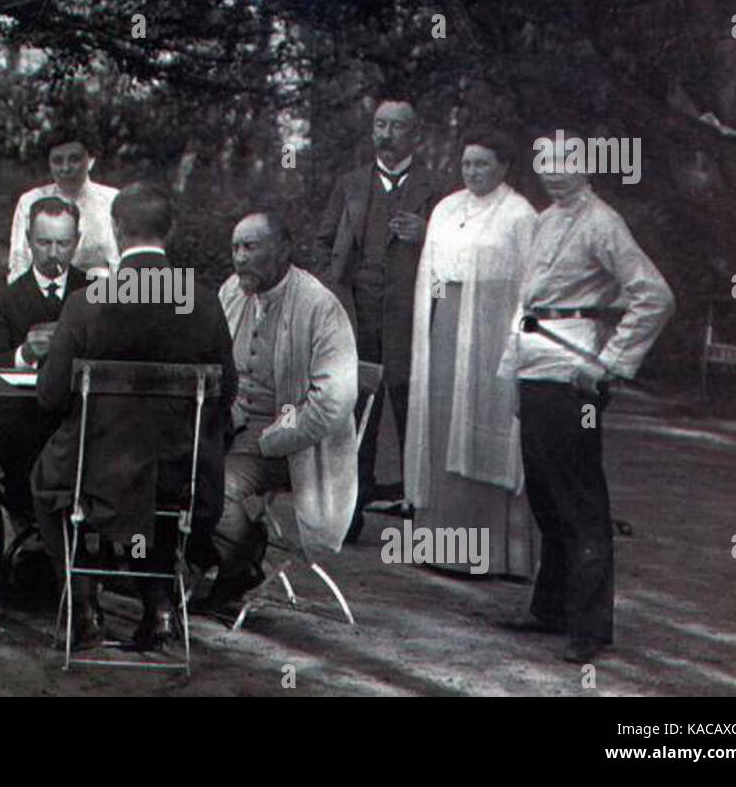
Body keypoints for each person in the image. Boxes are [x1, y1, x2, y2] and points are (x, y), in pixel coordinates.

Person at [32, 184, 237, 649]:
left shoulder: (90, 301)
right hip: (183, 474)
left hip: (99, 472)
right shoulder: (201, 301)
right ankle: (160, 606)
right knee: (157, 490)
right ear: (172, 231)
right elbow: (228, 392)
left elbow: (49, 396)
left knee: (46, 484)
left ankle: (83, 604)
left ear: (116, 229)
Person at [498, 130, 673, 663]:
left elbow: (654, 295)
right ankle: (550, 609)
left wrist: (609, 364)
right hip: (534, 368)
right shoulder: (545, 221)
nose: (553, 172)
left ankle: (591, 628)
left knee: (580, 503)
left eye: (564, 162)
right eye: (544, 162)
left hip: (572, 373)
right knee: (546, 498)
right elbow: (525, 303)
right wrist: (511, 370)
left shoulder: (602, 222)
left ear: (587, 165)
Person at [199, 211, 360, 611]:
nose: (239, 258)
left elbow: (331, 402)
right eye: (235, 247)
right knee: (170, 465)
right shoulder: (232, 294)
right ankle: (216, 557)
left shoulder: (320, 306)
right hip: (232, 427)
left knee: (213, 485)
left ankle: (240, 566)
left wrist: (272, 436)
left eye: (251, 247)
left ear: (283, 249)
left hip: (295, 443)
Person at [403, 128, 539, 579]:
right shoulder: (446, 208)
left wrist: (516, 339)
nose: (474, 172)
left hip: (493, 329)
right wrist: (440, 311)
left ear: (503, 167)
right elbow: (433, 271)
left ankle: (496, 555)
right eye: (467, 164)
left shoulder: (520, 214)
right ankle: (438, 544)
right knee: (442, 422)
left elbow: (530, 284)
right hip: (448, 326)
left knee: (488, 419)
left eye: (483, 164)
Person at [318, 94, 452, 543]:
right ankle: (349, 514)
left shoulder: (438, 191)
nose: (386, 135)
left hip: (413, 322)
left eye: (396, 127)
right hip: (358, 318)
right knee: (356, 419)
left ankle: (424, 521)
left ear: (415, 134)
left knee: (415, 418)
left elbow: (458, 258)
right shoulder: (351, 183)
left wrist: (426, 234)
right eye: (380, 125)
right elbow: (324, 243)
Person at [0, 197, 89, 522]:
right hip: (26, 424)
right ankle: (32, 535)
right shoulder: (3, 300)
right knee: (6, 428)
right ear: (28, 240)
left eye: (63, 243)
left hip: (80, 418)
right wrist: (24, 354)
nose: (53, 253)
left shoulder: (96, 292)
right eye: (43, 242)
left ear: (77, 242)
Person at [6, 130, 118, 282]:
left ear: (91, 160)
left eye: (74, 159)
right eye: (57, 161)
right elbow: (19, 262)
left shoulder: (112, 201)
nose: (65, 168)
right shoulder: (30, 201)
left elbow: (122, 263)